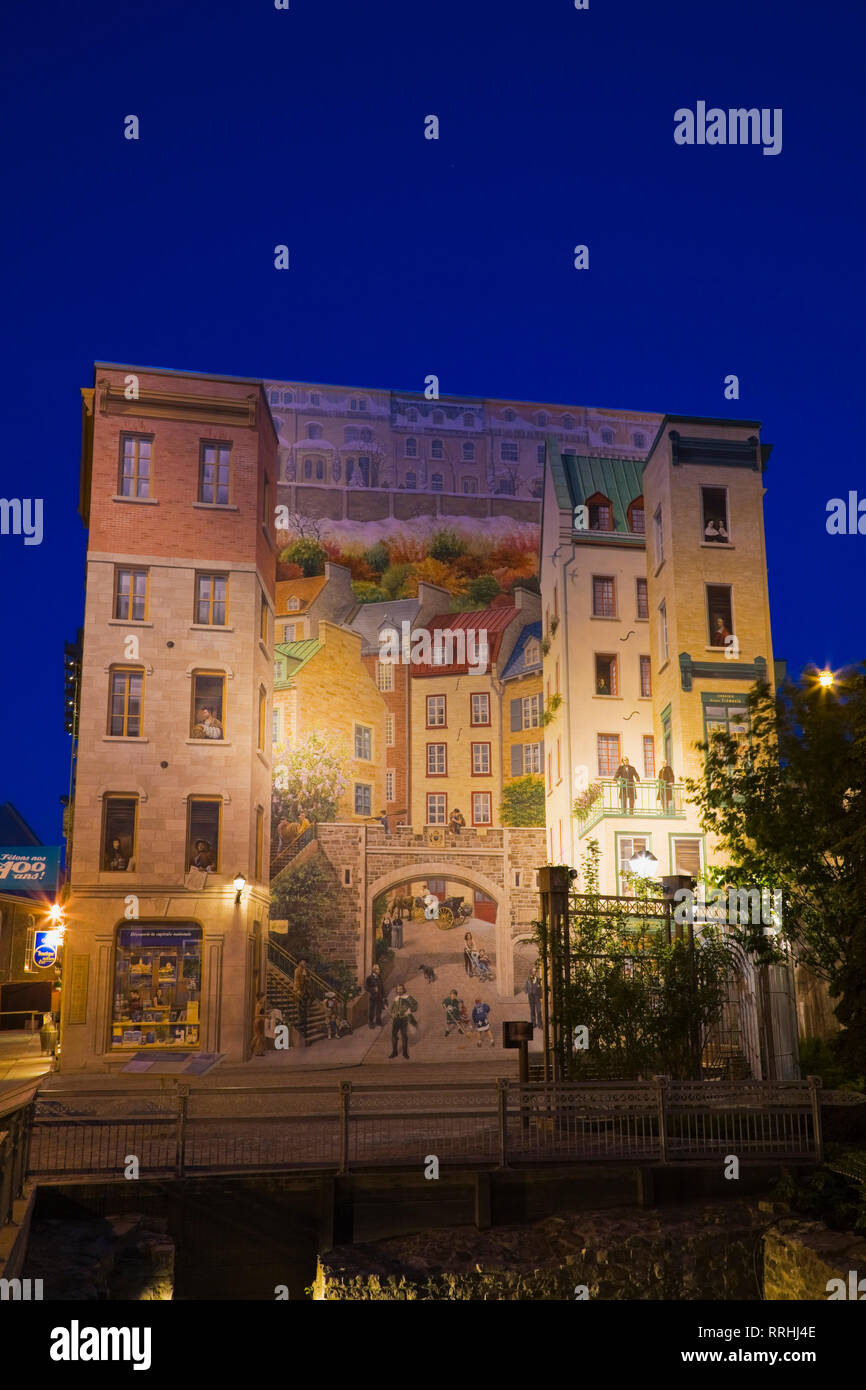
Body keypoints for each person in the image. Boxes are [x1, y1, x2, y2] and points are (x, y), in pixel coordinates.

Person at [388, 983, 418, 1059]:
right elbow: (393, 1008)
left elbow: (415, 1005)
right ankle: (394, 1052)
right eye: (397, 989)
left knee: (404, 1035)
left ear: (403, 989)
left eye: (400, 989)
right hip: (396, 1019)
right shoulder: (396, 999)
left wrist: (409, 1010)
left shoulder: (408, 997)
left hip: (405, 1018)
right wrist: (392, 1013)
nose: (399, 991)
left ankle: (405, 1053)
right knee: (394, 1035)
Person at [365, 962, 386, 1028]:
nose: (379, 970)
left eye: (379, 969)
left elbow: (382, 987)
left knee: (379, 1010)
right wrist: (373, 989)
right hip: (373, 997)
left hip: (379, 997)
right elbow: (366, 987)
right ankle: (371, 1023)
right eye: (378, 969)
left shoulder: (379, 977)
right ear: (374, 970)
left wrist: (383, 996)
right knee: (372, 1010)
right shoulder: (369, 978)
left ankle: (378, 1021)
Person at [250, 993, 267, 1057]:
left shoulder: (261, 1005)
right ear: (261, 998)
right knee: (259, 1037)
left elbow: (262, 1013)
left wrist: (267, 1012)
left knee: (258, 1037)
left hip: (261, 1021)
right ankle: (257, 1051)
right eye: (264, 998)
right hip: (258, 1022)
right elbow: (256, 1015)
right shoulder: (258, 1005)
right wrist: (266, 1015)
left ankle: (255, 1050)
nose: (264, 999)